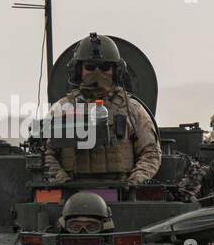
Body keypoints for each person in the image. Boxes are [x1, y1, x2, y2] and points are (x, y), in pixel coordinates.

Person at [43, 32, 162, 187]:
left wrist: (134, 183)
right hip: (72, 192)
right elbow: (45, 153)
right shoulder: (62, 108)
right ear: (79, 70)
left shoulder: (132, 108)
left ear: (115, 71)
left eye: (105, 67)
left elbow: (151, 152)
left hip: (121, 192)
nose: (97, 73)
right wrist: (63, 182)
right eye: (90, 67)